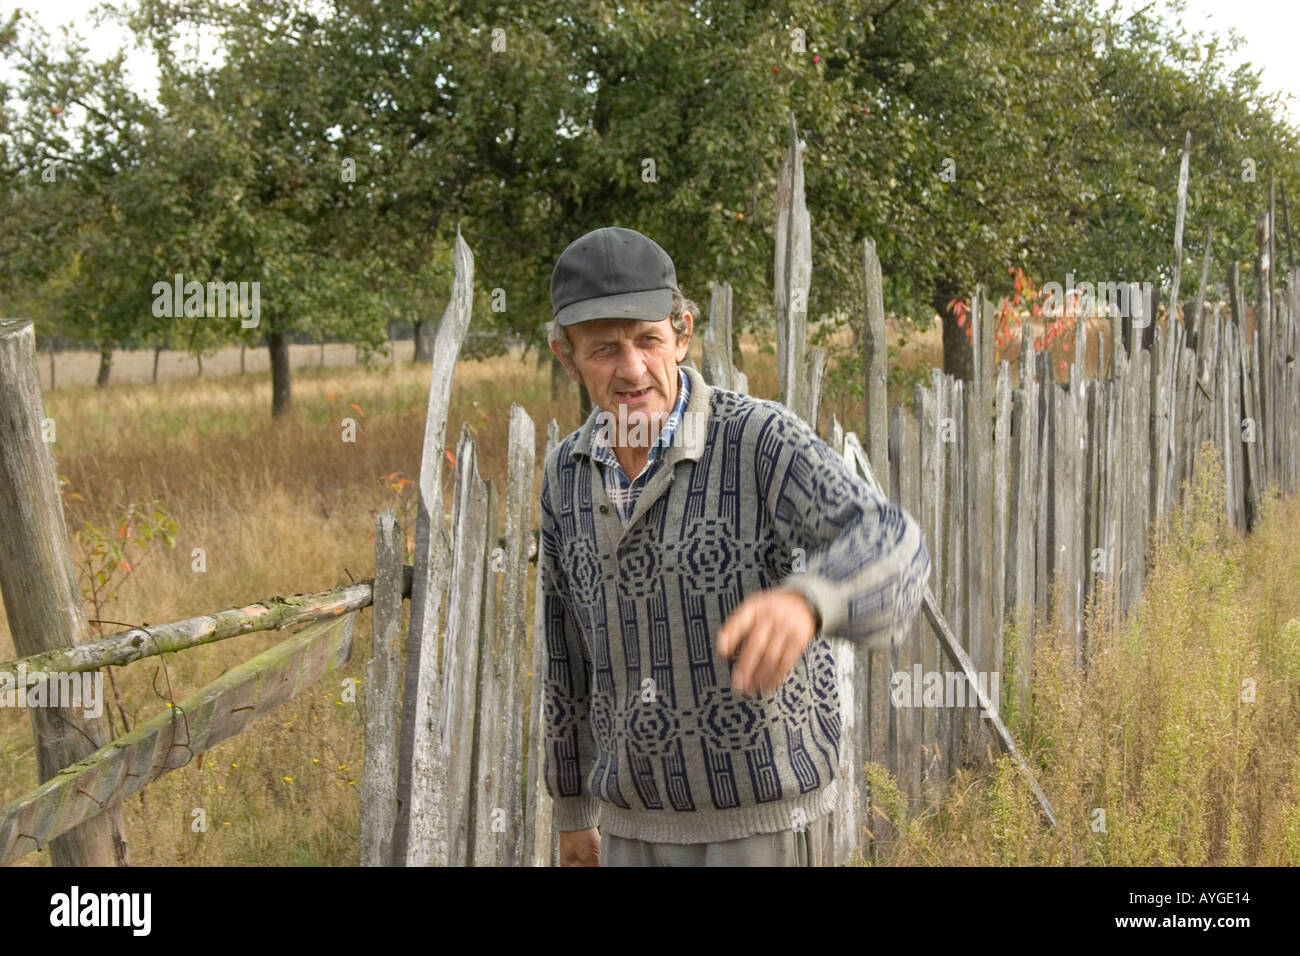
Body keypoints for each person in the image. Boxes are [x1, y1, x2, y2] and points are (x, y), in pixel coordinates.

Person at [540, 226, 930, 866]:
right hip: (628, 832)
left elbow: (895, 543)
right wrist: (573, 814)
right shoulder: (566, 474)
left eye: (648, 340)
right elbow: (565, 652)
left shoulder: (759, 440)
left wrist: (810, 602)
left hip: (760, 830)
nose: (632, 369)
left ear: (683, 333)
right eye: (604, 349)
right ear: (566, 354)